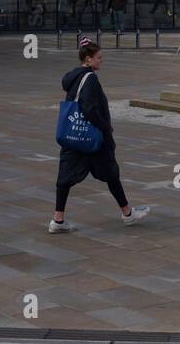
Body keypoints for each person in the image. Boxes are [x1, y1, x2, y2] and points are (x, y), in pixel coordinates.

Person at [50, 40, 150, 233]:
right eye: (99, 58)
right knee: (111, 173)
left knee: (65, 177)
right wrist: (106, 127)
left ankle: (58, 220)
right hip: (91, 136)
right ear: (88, 59)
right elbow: (88, 109)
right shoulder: (90, 78)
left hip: (74, 135)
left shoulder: (74, 77)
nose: (101, 61)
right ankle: (128, 214)